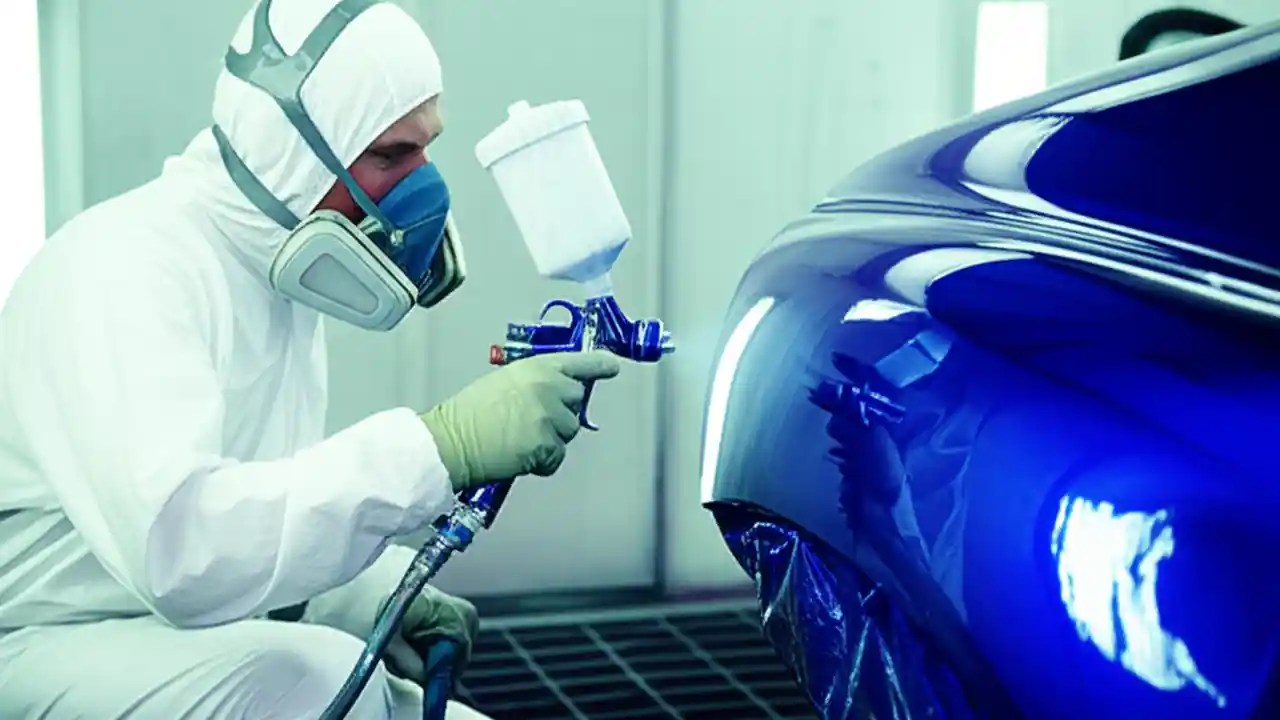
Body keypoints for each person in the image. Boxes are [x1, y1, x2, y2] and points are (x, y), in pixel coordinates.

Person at [0, 0, 621, 717]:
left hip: (153, 635)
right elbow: (183, 551)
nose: (424, 191)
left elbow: (257, 509)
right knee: (315, 678)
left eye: (426, 149)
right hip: (36, 642)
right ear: (292, 156)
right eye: (392, 155)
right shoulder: (127, 268)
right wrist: (439, 446)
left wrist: (363, 592)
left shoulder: (271, 280)